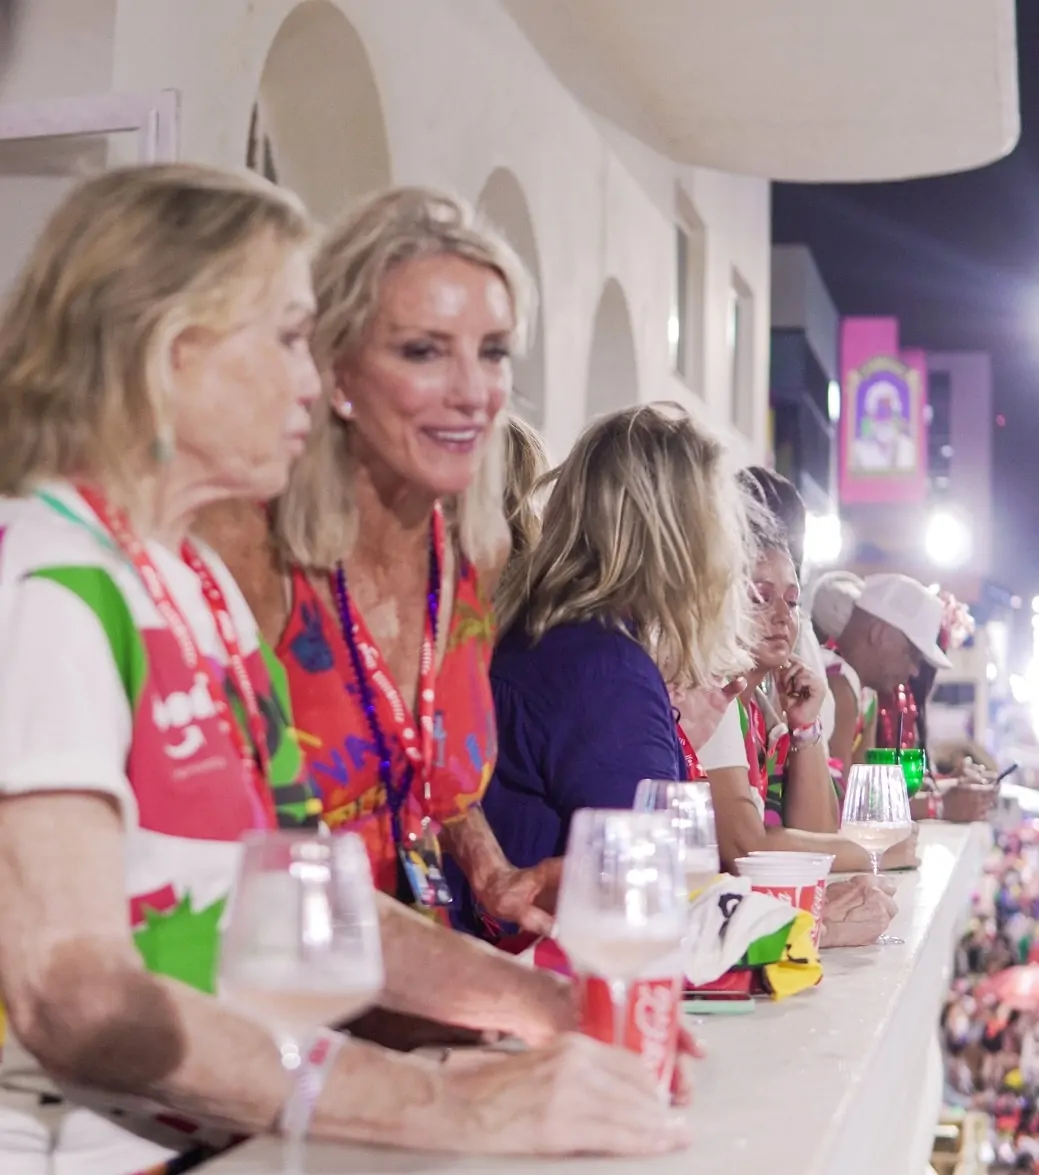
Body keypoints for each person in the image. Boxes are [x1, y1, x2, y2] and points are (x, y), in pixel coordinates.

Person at [0, 165, 692, 1175]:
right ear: (171, 347)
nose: (312, 382)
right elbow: (75, 992)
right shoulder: (44, 580)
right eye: (287, 337)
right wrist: (444, 1105)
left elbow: (297, 898)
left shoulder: (185, 580)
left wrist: (552, 1009)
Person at [196, 189, 556, 933]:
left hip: (413, 986)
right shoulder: (248, 546)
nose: (472, 393)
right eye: (422, 351)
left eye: (490, 352)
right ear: (337, 371)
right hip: (262, 998)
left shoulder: (472, 553)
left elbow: (414, 758)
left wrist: (491, 871)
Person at [473, 403, 902, 947]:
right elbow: (646, 910)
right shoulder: (604, 668)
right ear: (681, 534)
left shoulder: (559, 634)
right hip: (535, 986)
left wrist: (676, 746)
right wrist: (806, 926)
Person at [810, 570, 951, 787]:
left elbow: (864, 791)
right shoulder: (837, 682)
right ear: (879, 634)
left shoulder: (865, 693)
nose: (914, 671)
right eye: (911, 655)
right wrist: (938, 807)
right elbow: (844, 803)